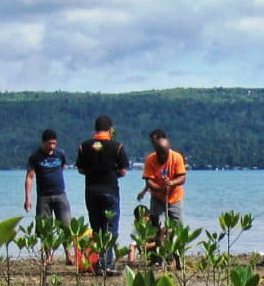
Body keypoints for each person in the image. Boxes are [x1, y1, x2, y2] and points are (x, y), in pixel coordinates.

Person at [75, 115, 129, 275]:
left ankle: (98, 263)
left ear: (95, 129)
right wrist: (111, 174)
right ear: (111, 129)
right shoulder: (117, 146)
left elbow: (80, 169)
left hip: (91, 191)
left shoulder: (84, 146)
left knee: (97, 228)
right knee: (110, 228)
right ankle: (106, 264)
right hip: (110, 190)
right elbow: (123, 171)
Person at [24, 129, 73, 263]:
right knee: (44, 228)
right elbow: (29, 177)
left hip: (60, 194)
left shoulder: (60, 154)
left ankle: (69, 255)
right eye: (49, 144)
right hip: (43, 197)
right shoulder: (35, 157)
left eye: (54, 143)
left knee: (66, 225)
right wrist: (28, 198)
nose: (52, 146)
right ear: (43, 142)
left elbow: (62, 168)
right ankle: (48, 256)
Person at [141, 129, 187, 228]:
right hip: (157, 199)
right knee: (157, 227)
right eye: (160, 154)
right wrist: (160, 189)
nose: (162, 156)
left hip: (175, 198)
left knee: (178, 227)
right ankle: (158, 243)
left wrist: (170, 183)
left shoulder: (177, 157)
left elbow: (182, 178)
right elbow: (149, 181)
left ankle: (175, 243)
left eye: (165, 154)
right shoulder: (150, 160)